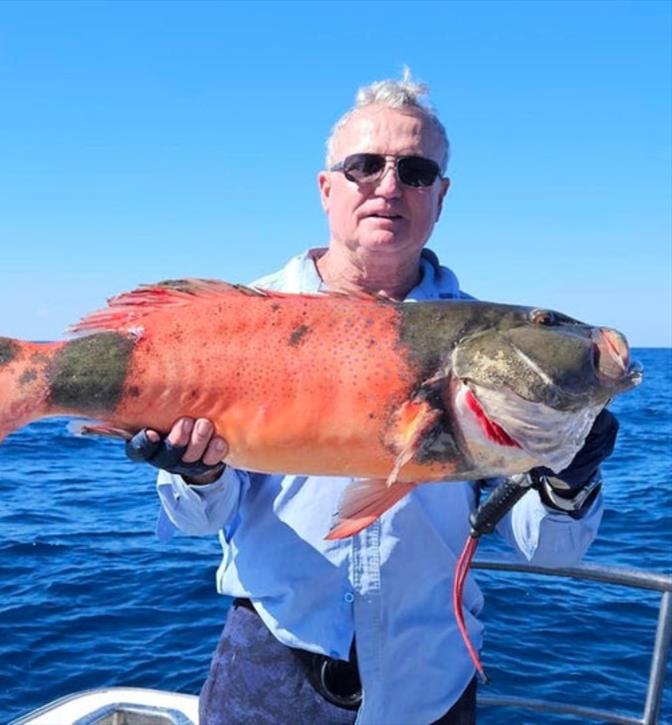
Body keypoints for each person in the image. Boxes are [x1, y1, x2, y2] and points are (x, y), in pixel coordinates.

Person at [126, 69, 618, 724]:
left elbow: (552, 550)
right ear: (326, 188)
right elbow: (196, 519)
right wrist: (199, 472)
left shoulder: (497, 350)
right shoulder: (241, 318)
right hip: (270, 676)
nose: (388, 186)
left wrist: (570, 478)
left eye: (414, 170)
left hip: (430, 690)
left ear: (440, 196)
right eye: (365, 165)